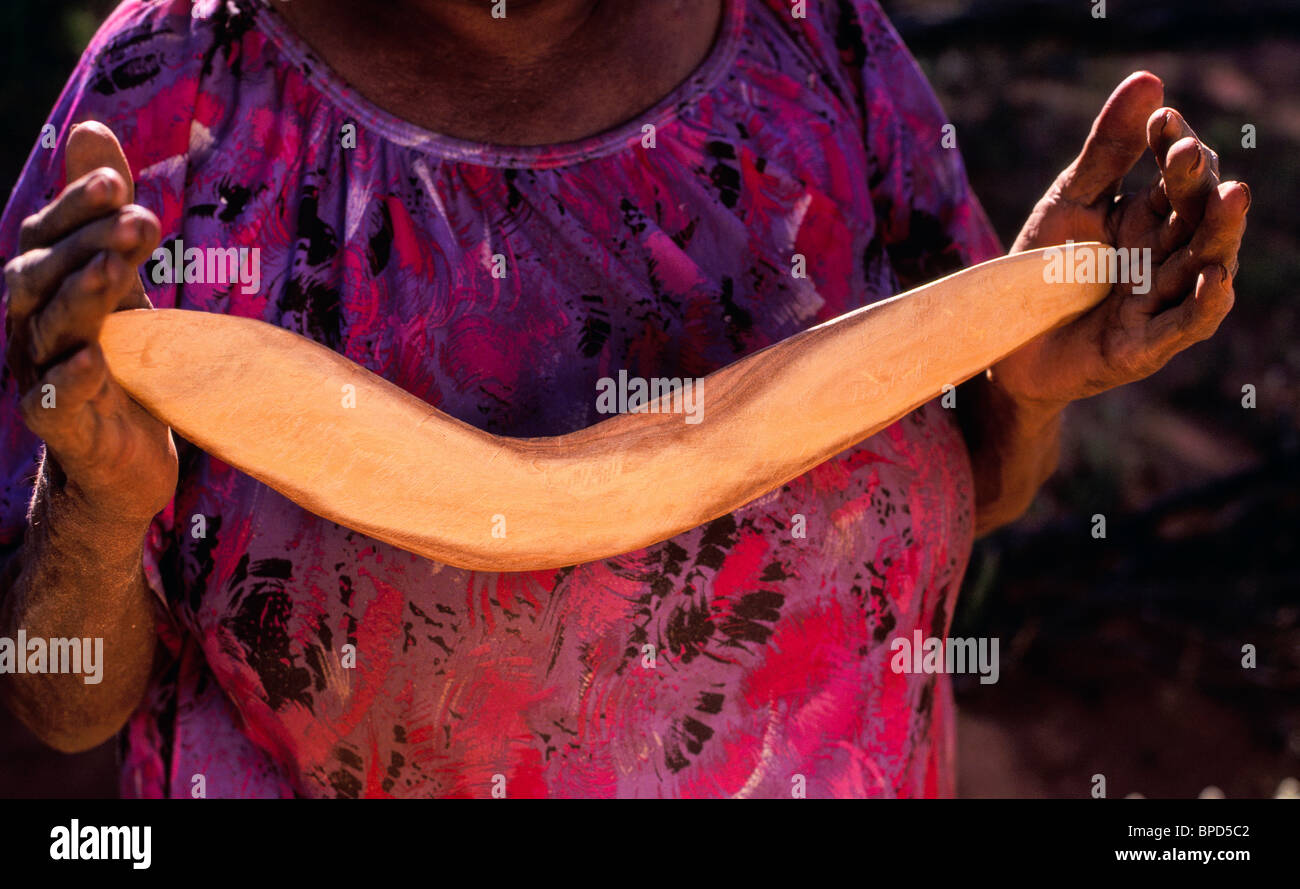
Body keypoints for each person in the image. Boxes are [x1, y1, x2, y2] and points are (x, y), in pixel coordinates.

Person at [0, 0, 1246, 797]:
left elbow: (957, 501)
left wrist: (1018, 388)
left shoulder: (823, 46)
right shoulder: (178, 105)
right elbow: (57, 701)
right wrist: (96, 503)